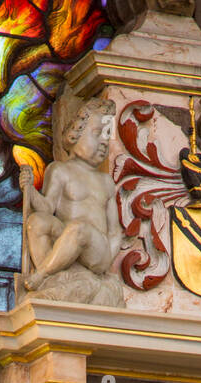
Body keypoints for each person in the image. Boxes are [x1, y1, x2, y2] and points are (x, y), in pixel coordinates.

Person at [20, 98, 122, 296]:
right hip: (68, 238)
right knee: (37, 221)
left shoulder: (106, 181)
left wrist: (107, 258)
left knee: (79, 228)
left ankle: (42, 274)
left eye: (107, 136)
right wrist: (29, 189)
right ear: (76, 133)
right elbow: (47, 208)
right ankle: (56, 276)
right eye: (97, 133)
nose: (103, 141)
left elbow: (115, 231)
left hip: (96, 249)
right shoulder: (59, 170)